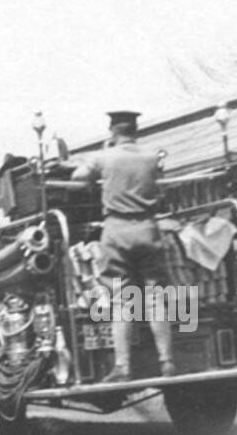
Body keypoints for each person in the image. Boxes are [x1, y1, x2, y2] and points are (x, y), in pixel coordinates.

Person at [72, 110, 175, 382]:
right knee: (155, 298)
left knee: (122, 300)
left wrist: (100, 162)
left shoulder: (104, 157)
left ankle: (123, 366)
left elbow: (77, 178)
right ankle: (166, 361)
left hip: (117, 232)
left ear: (113, 131)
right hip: (148, 229)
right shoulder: (152, 156)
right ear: (136, 130)